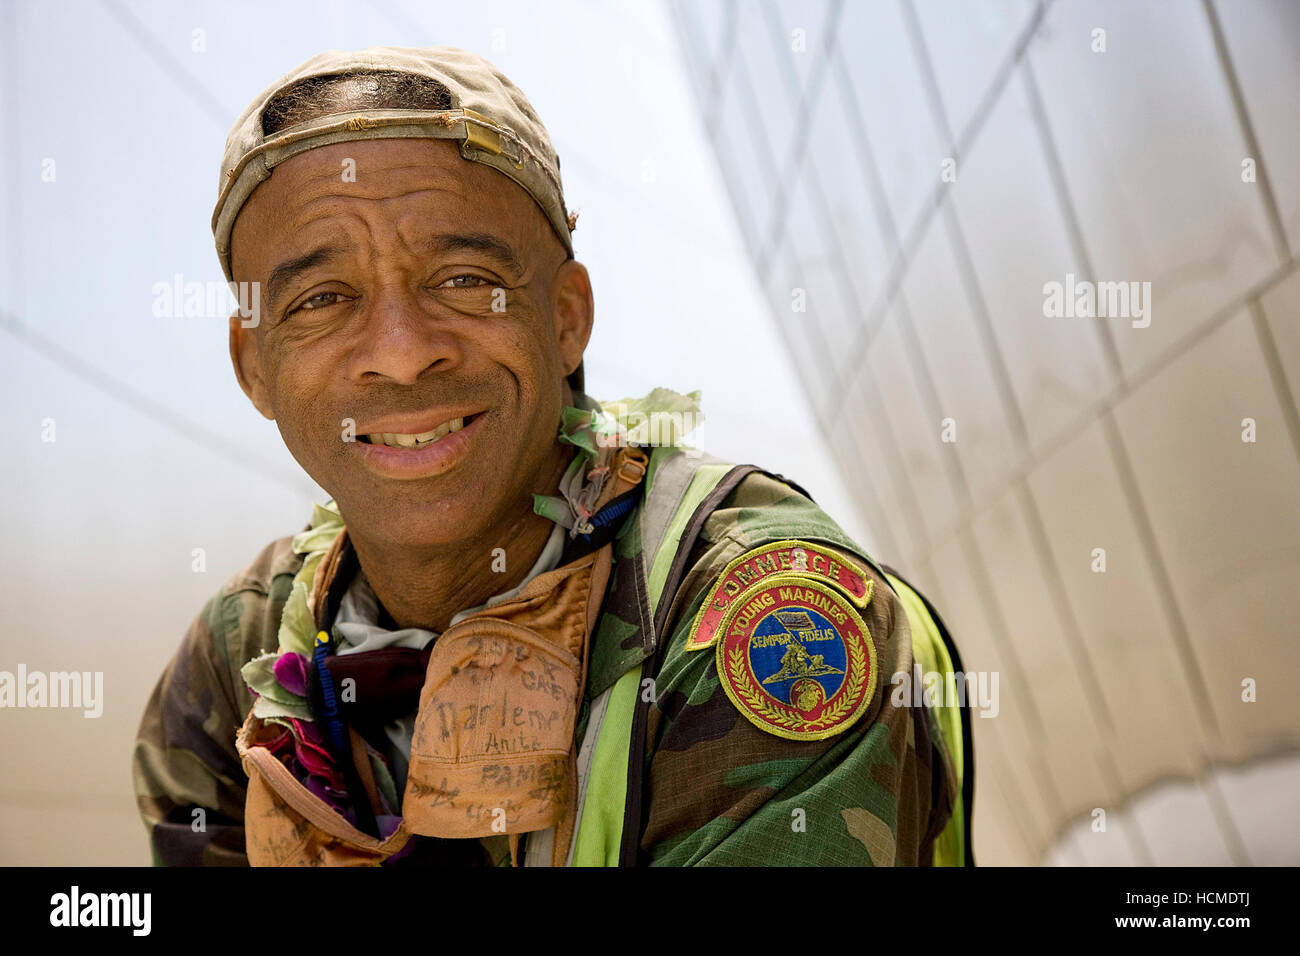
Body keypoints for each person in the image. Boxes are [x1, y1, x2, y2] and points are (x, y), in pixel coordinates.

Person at [131, 46, 972, 867]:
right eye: (322, 299)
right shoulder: (234, 662)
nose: (399, 351)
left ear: (566, 318)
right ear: (255, 367)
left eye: (462, 279)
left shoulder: (763, 612)